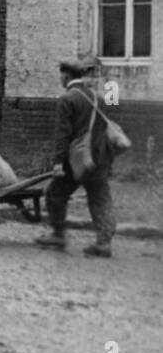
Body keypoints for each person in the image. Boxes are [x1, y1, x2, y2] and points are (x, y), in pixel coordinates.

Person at [36, 57, 116, 257]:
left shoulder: (67, 99)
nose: (61, 80)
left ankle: (58, 234)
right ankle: (104, 242)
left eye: (61, 76)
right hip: (99, 157)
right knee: (100, 197)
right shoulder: (97, 97)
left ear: (66, 75)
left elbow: (63, 135)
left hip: (78, 159)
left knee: (55, 192)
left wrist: (58, 164)